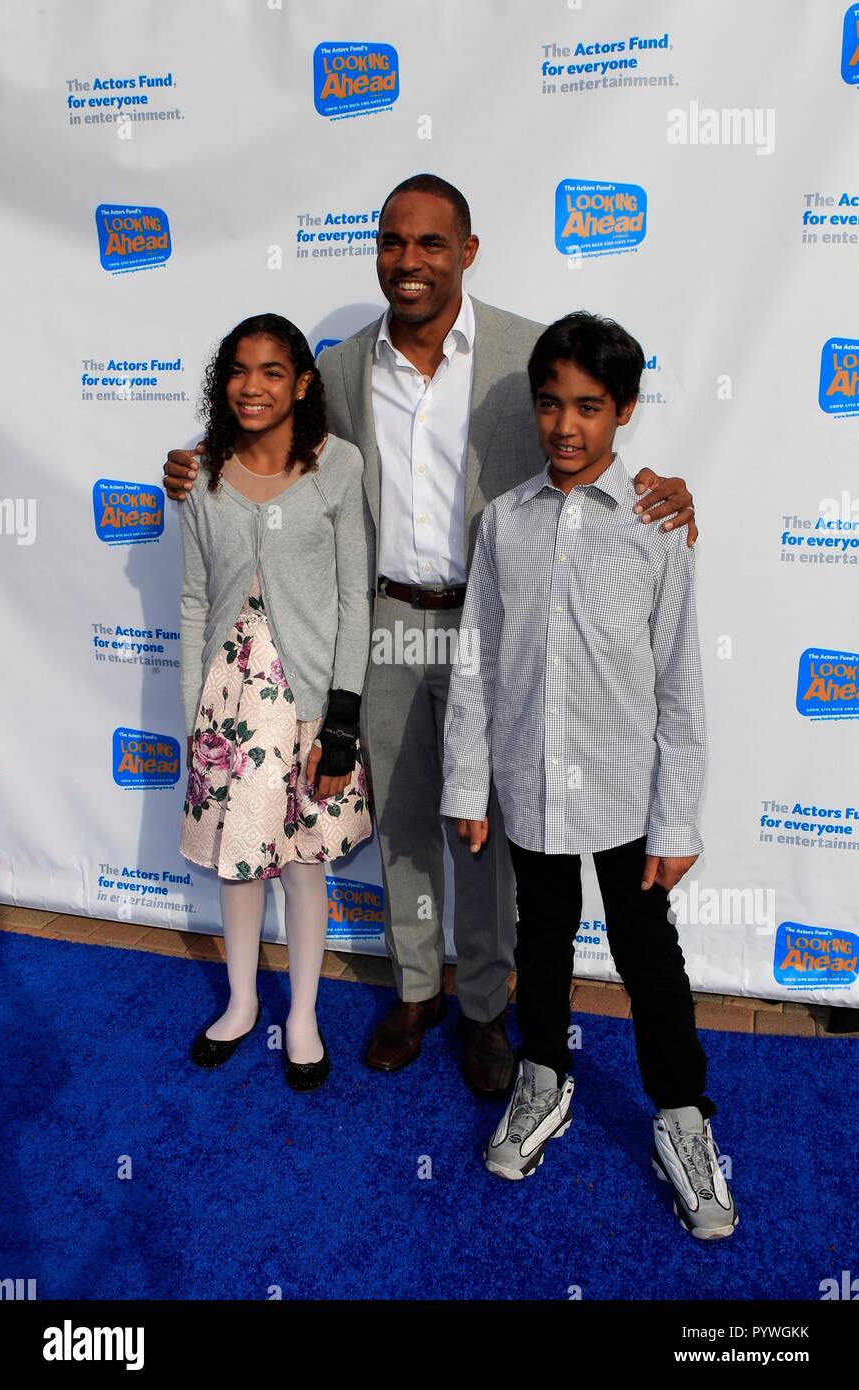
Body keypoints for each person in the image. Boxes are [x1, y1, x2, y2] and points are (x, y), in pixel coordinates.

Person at [162, 175, 700, 1099]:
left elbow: (585, 432)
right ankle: (418, 991)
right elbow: (275, 447)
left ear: (467, 251)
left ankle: (488, 1008)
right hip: (380, 624)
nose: (408, 262)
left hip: (499, 628)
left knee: (482, 831)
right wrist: (197, 464)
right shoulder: (336, 370)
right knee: (407, 820)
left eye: (430, 244)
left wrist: (667, 490)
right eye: (391, 242)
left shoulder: (522, 354)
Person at [441, 311, 737, 1240]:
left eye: (589, 407)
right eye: (549, 405)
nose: (566, 426)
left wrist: (678, 818)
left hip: (625, 792)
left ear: (625, 410)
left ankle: (683, 1117)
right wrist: (465, 784)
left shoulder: (656, 527)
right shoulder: (504, 525)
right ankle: (544, 1078)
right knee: (544, 942)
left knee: (650, 956)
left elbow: (680, 681)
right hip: (530, 784)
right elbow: (477, 662)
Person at [178, 313, 372, 1092]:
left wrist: (346, 722)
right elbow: (195, 599)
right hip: (228, 708)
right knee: (237, 861)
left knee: (303, 861)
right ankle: (241, 1001)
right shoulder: (200, 474)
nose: (252, 387)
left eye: (270, 371)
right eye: (238, 370)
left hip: (310, 703)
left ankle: (302, 1015)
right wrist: (192, 709)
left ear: (301, 383)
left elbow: (355, 596)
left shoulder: (338, 466)